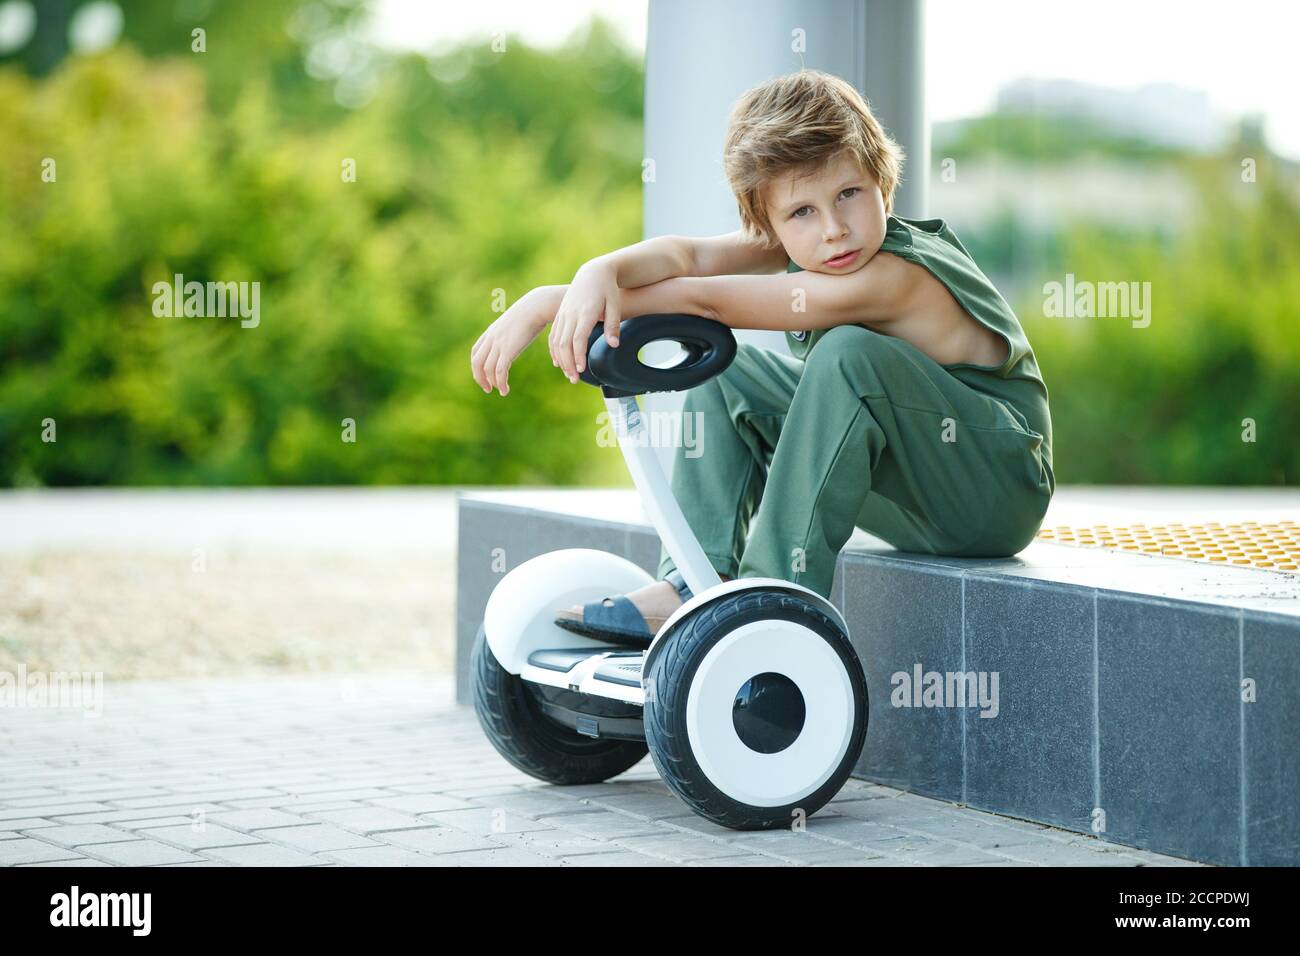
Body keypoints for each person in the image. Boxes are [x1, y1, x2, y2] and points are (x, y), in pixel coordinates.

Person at [469, 69, 1054, 646]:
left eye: (850, 194)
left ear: (883, 182)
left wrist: (552, 303)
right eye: (801, 212)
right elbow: (689, 257)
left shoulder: (895, 278)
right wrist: (596, 272)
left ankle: (771, 602)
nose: (834, 230)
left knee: (848, 355)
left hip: (993, 494)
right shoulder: (820, 242)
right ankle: (694, 583)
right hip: (914, 496)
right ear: (770, 223)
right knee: (728, 373)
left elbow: (707, 298)